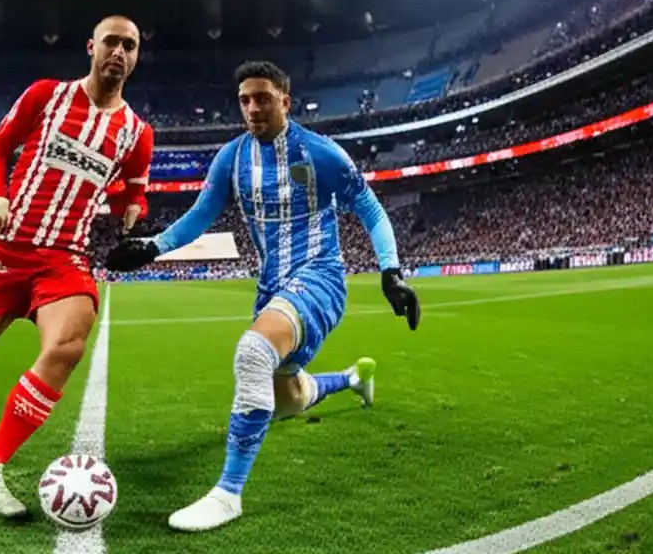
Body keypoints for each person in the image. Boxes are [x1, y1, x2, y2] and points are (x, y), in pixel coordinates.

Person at [106, 60, 421, 532]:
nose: (253, 108)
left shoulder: (321, 154)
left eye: (263, 98)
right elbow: (200, 214)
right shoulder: (232, 158)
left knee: (252, 353)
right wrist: (154, 247)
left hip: (320, 277)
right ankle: (354, 377)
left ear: (285, 102)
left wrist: (390, 271)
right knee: (287, 399)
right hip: (273, 286)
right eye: (245, 100)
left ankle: (228, 494)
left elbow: (371, 209)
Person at [0, 15, 154, 518]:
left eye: (130, 45)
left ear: (136, 56)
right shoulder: (46, 95)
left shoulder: (137, 133)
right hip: (8, 249)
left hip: (65, 257)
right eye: (111, 41)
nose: (119, 52)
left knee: (68, 343)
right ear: (91, 46)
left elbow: (137, 187)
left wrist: (133, 209)